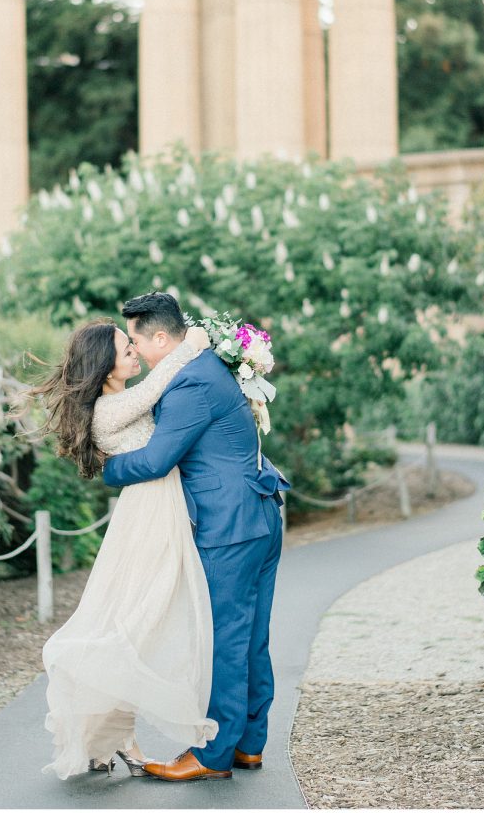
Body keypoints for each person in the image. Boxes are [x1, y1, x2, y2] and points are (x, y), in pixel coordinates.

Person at [103, 291, 290, 781]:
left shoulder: (188, 385)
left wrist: (103, 468)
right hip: (259, 512)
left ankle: (211, 755)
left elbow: (156, 460)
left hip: (230, 525)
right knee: (251, 637)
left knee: (227, 639)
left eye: (138, 342)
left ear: (161, 338)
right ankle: (248, 744)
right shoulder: (206, 365)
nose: (137, 353)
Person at [29, 317, 217, 780]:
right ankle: (116, 733)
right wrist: (191, 344)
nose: (133, 350)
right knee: (139, 624)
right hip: (149, 516)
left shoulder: (117, 401)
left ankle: (109, 737)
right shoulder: (110, 409)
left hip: (157, 509)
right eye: (124, 347)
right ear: (104, 364)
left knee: (142, 624)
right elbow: (156, 389)